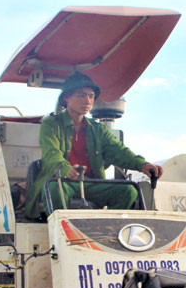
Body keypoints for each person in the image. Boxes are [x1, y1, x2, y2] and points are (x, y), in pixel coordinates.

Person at [24, 72, 163, 219]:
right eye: (81, 95)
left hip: (92, 182)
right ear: (66, 98)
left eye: (91, 96)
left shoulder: (98, 129)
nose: (87, 101)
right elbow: (51, 154)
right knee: (55, 188)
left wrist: (142, 165)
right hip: (64, 182)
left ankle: (106, 228)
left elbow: (118, 151)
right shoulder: (51, 124)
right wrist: (66, 169)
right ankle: (63, 231)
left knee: (129, 190)